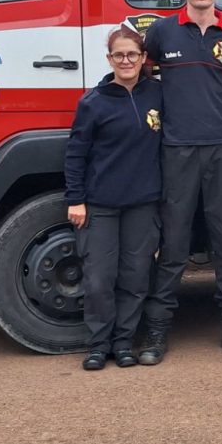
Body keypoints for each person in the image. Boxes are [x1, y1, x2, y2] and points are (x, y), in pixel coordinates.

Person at [138, 0, 222, 365]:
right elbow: (141, 73)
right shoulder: (161, 31)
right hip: (177, 149)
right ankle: (156, 332)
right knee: (173, 244)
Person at [63, 28, 164, 371]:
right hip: (100, 205)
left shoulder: (158, 94)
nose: (126, 61)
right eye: (119, 55)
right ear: (109, 59)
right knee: (98, 280)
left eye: (132, 54)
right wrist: (76, 199)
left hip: (143, 203)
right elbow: (76, 154)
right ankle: (98, 345)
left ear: (143, 58)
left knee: (135, 278)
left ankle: (123, 343)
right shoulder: (93, 102)